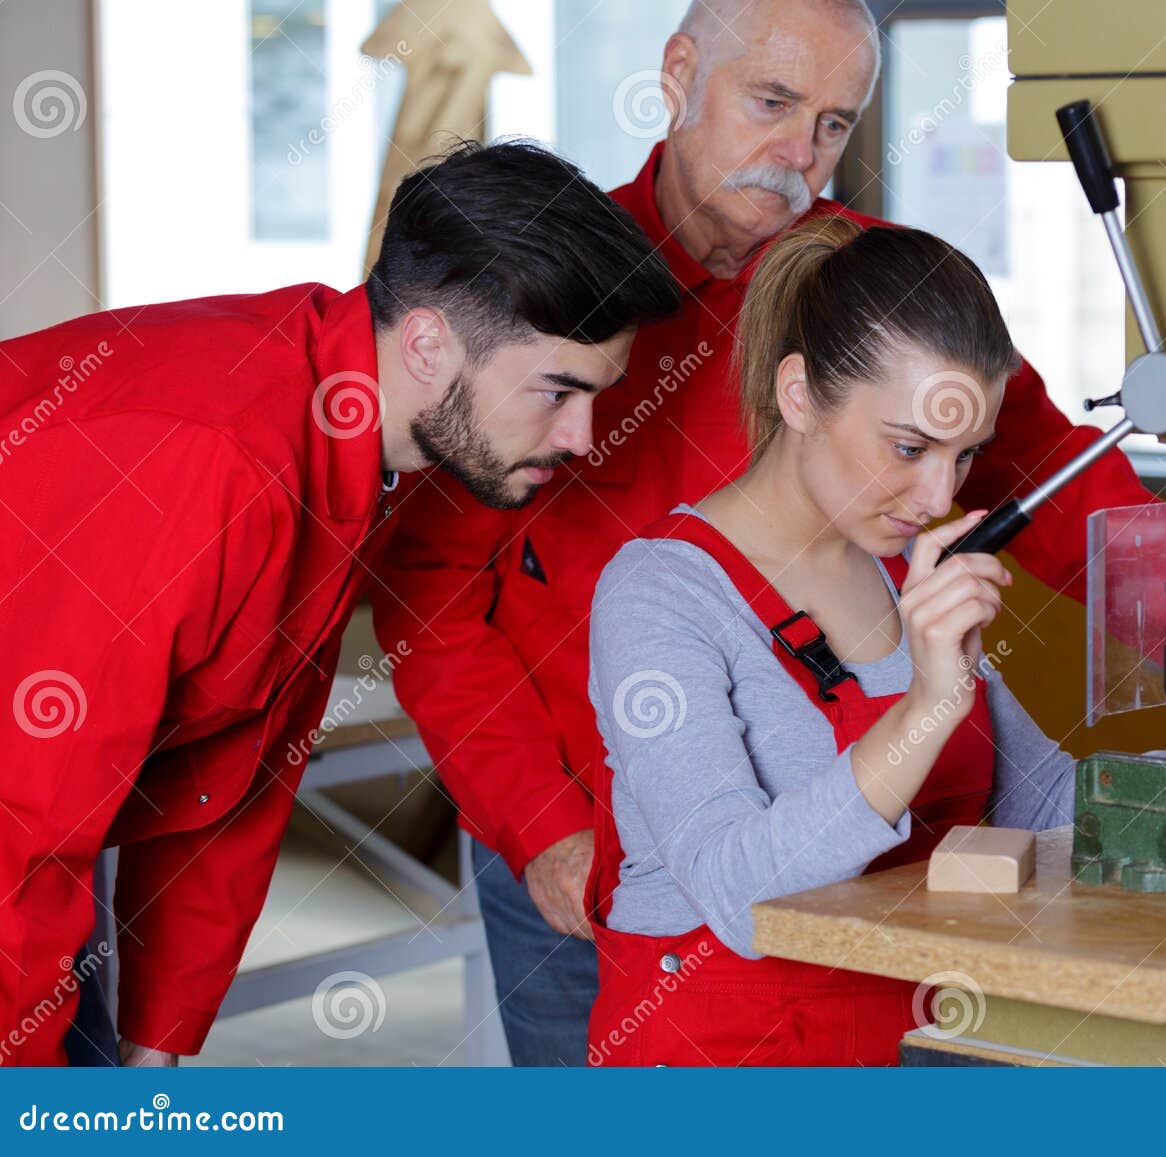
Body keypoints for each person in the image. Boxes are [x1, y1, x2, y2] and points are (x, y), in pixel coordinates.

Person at [370, 0, 1166, 1066]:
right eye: (772, 102)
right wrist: (542, 824)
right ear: (677, 73)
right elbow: (424, 594)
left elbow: (1077, 503)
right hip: (582, 838)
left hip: (857, 852)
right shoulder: (552, 291)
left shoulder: (888, 301)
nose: (799, 154)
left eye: (836, 123)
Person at [584, 217, 1166, 1066]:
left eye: (965, 454)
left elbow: (1045, 809)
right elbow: (736, 890)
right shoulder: (659, 594)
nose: (937, 491)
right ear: (799, 396)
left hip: (918, 1037)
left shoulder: (902, 567)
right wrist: (928, 705)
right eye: (908, 447)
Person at [0, 140, 680, 1067]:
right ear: (430, 340)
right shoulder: (215, 463)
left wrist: (157, 1040)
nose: (583, 437)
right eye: (558, 390)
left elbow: (235, 768)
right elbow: (22, 827)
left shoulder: (346, 437)